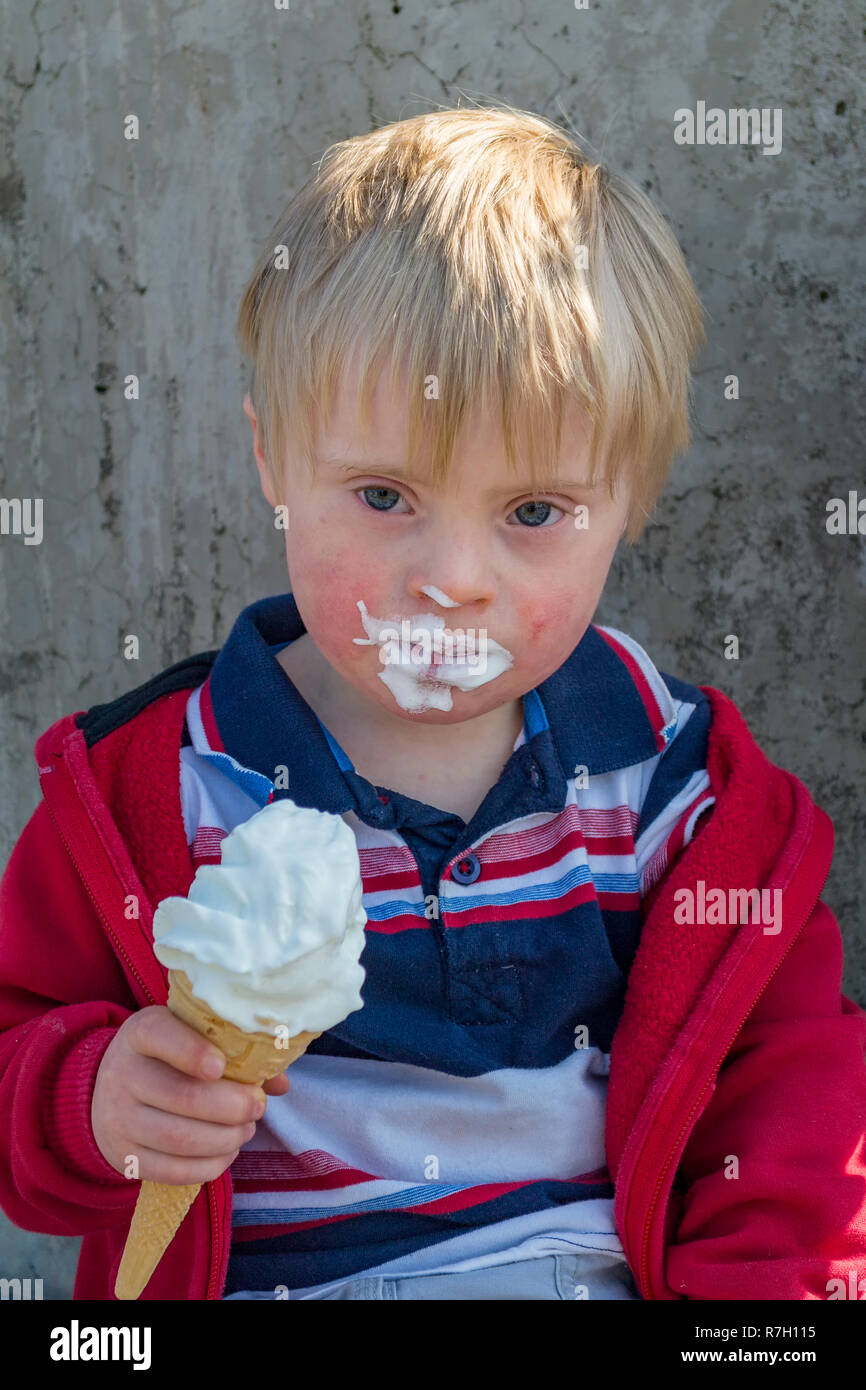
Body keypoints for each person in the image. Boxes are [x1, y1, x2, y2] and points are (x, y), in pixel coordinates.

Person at [1, 104, 864, 1302]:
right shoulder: (159, 794)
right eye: (383, 494)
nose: (452, 579)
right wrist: (89, 1099)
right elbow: (19, 1057)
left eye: (531, 514)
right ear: (272, 463)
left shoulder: (669, 788)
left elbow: (784, 1096)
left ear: (628, 507)